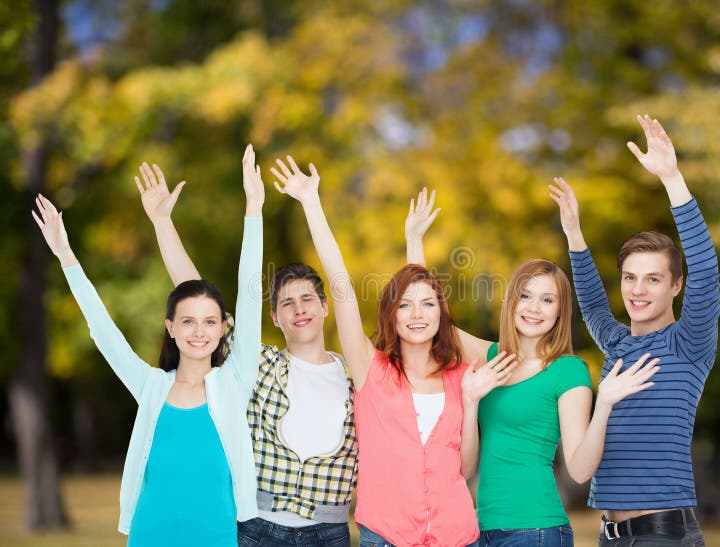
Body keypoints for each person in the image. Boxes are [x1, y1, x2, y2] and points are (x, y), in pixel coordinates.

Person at [270, 156, 509, 547]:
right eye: (405, 306)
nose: (417, 315)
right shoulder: (371, 370)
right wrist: (311, 202)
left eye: (429, 305)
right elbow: (341, 285)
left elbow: (464, 469)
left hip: (459, 537)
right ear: (391, 315)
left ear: (442, 313)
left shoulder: (459, 376)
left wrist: (470, 402)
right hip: (386, 537)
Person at [31, 146, 264, 546]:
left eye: (210, 322)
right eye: (188, 321)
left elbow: (248, 292)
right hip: (150, 533)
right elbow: (104, 332)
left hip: (215, 535)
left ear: (224, 328)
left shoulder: (236, 381)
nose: (199, 331)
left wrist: (253, 210)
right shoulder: (152, 386)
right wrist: (65, 254)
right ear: (170, 328)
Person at [406, 191, 659, 547]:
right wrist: (414, 241)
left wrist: (604, 405)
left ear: (560, 311)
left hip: (536, 530)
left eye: (547, 299)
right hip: (481, 528)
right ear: (512, 301)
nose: (534, 308)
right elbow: (433, 326)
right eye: (525, 296)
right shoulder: (493, 357)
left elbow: (580, 468)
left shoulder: (568, 370)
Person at [135, 149, 356, 546]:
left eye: (308, 299)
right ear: (274, 317)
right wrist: (162, 222)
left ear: (325, 307)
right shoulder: (258, 365)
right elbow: (197, 296)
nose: (299, 309)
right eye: (286, 303)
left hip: (331, 532)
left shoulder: (355, 376)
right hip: (259, 529)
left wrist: (310, 202)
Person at [550, 114, 720, 545]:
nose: (638, 290)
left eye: (653, 278)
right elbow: (589, 301)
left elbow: (706, 269)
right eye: (629, 277)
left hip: (662, 535)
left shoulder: (689, 341)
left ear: (676, 285)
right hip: (612, 535)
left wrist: (672, 178)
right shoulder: (618, 344)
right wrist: (573, 232)